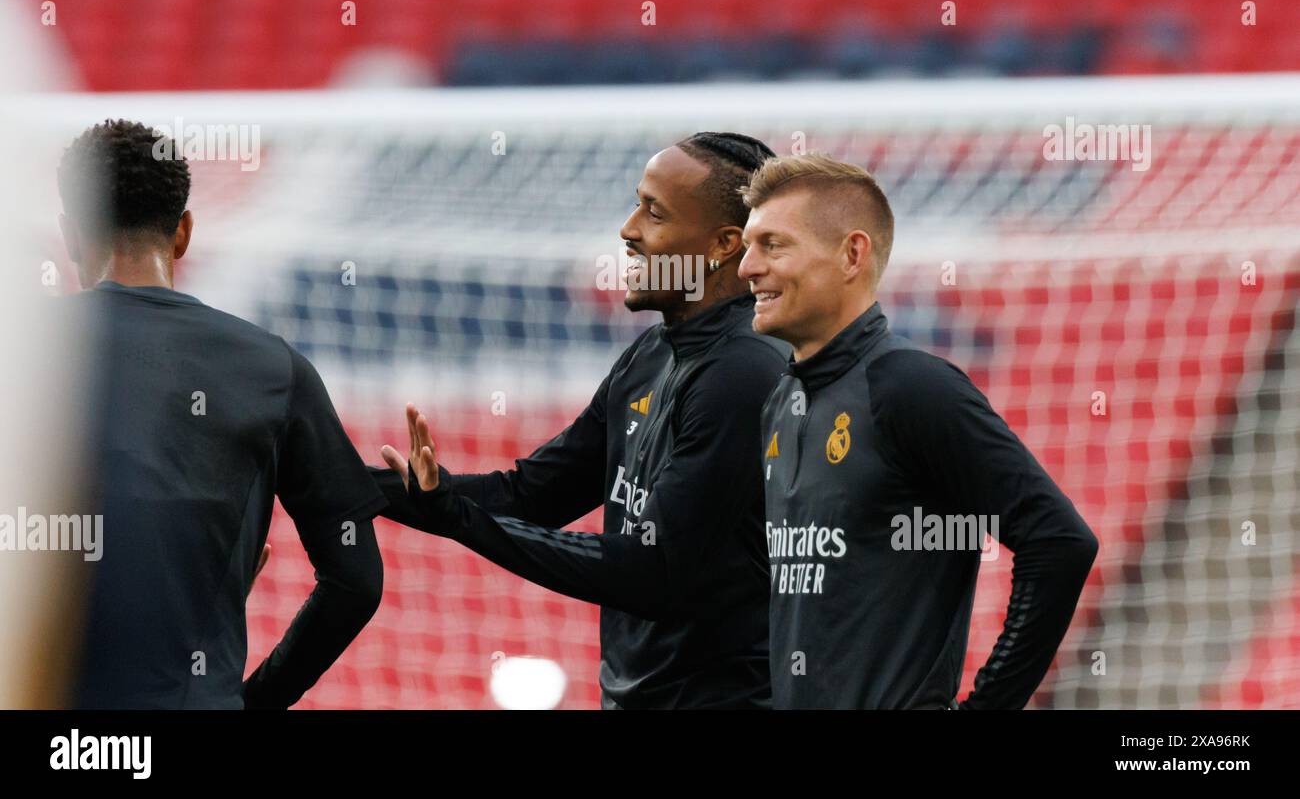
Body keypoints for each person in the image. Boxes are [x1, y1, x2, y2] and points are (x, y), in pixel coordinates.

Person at [376, 133, 789, 709]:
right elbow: (533, 495)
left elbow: (653, 572)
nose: (628, 230)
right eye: (636, 205)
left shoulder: (745, 373)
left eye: (654, 213)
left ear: (723, 244)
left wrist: (459, 518)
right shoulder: (653, 354)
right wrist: (351, 483)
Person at [737, 152, 1099, 709]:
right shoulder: (781, 401)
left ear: (852, 254)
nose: (747, 267)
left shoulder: (910, 386)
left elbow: (1059, 542)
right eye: (747, 246)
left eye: (773, 245)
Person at [59, 119, 386, 708]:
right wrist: (256, 700)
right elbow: (356, 581)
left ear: (70, 234)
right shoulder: (274, 371)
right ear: (184, 232)